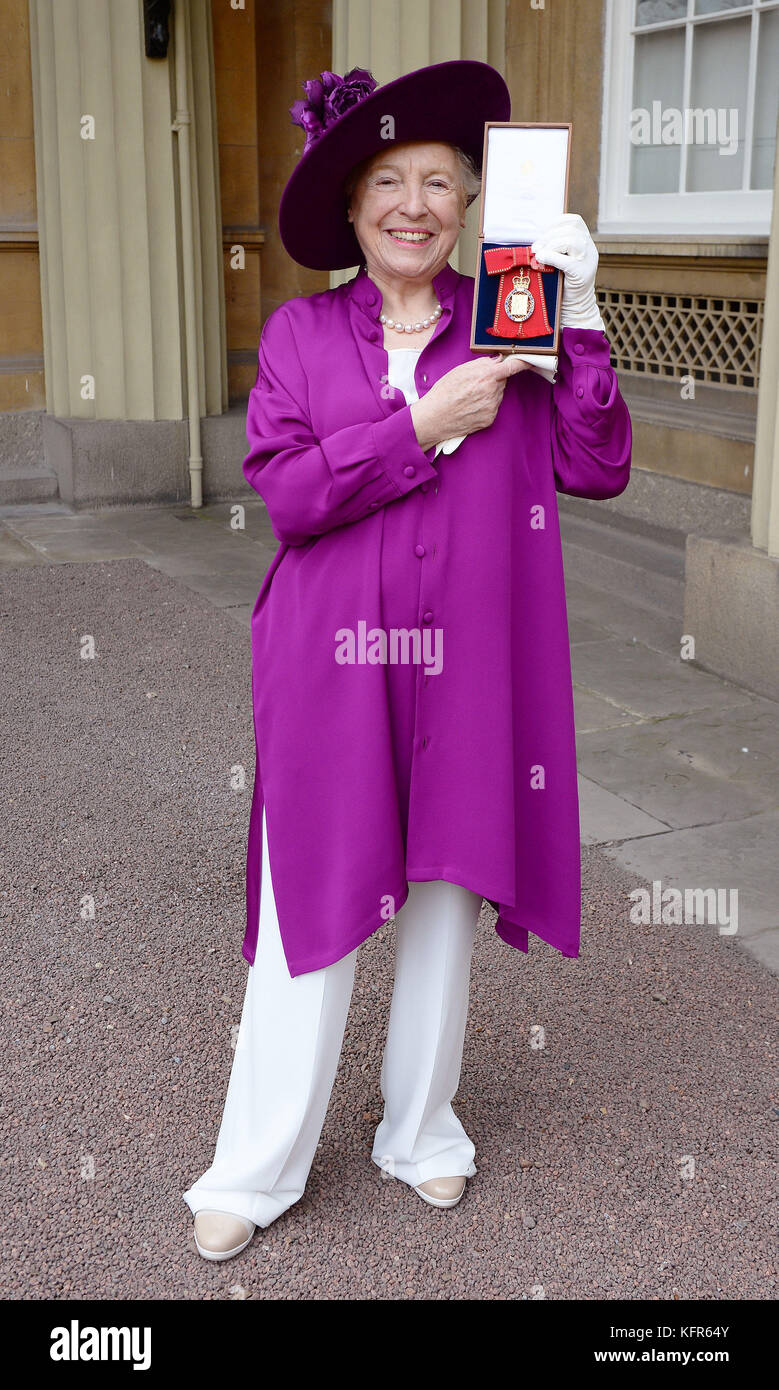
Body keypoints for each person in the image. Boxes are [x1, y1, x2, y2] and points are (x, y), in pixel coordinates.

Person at [182, 60, 631, 1261]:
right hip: (327, 667)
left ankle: (420, 1130)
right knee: (308, 912)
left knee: (441, 893)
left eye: (439, 180)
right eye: (389, 180)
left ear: (470, 200)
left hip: (467, 668)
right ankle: (255, 1164)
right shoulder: (296, 333)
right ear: (350, 204)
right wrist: (419, 429)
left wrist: (581, 322)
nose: (414, 203)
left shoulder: (512, 320)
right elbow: (286, 494)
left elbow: (594, 465)